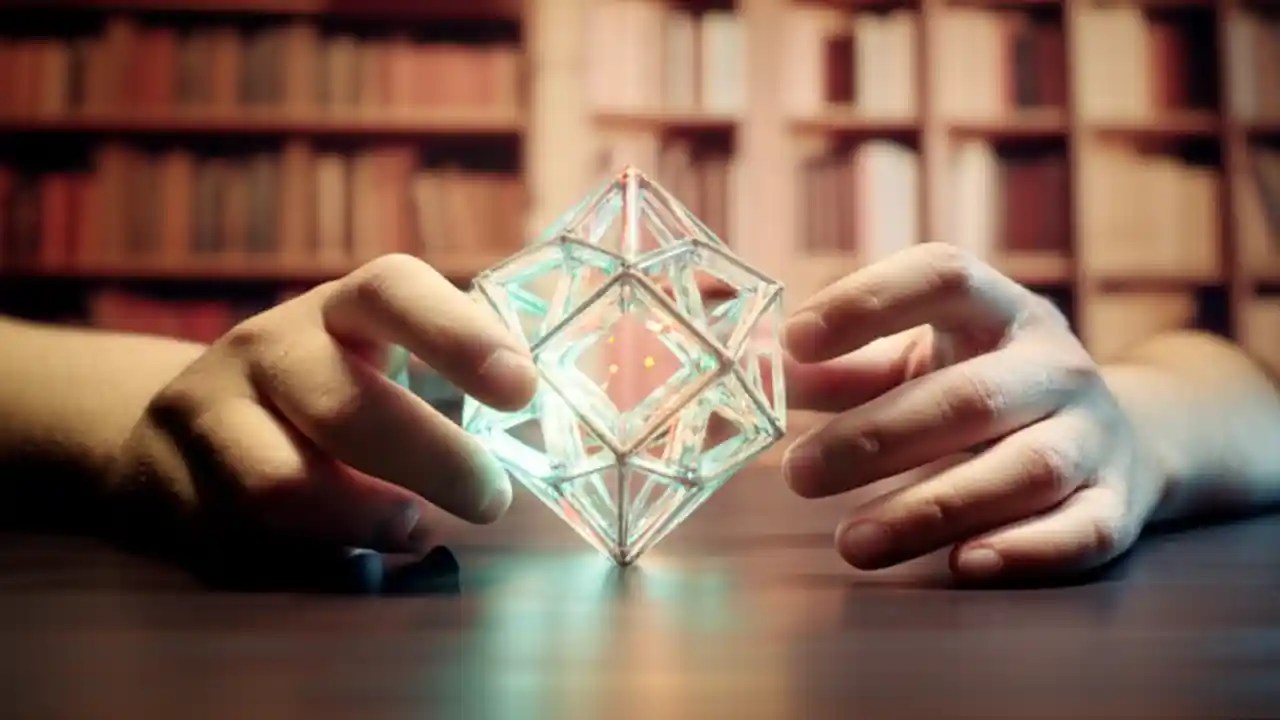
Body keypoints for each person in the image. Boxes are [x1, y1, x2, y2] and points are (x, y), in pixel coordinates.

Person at [1, 246, 1278, 584]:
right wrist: (136, 419)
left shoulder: (891, 323)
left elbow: (1235, 382)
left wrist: (1144, 429)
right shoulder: (460, 337)